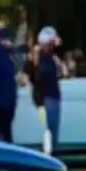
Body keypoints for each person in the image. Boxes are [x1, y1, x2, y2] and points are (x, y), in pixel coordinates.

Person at [34, 27, 66, 155]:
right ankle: (50, 152)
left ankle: (50, 151)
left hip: (47, 98)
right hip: (49, 97)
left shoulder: (50, 59)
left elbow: (62, 72)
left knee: (49, 128)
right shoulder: (44, 60)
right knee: (50, 128)